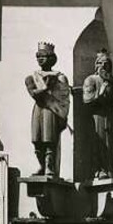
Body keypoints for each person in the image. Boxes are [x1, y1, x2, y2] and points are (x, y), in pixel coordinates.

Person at [24, 42, 71, 177]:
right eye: (38, 55)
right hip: (39, 108)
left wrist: (63, 115)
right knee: (37, 140)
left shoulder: (60, 77)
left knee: (49, 140)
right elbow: (34, 94)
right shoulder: (32, 77)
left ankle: (49, 167)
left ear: (51, 57)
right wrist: (46, 87)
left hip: (51, 110)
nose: (40, 58)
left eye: (43, 55)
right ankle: (42, 166)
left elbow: (64, 97)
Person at [81, 48, 113, 180]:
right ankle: (99, 170)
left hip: (111, 116)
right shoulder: (91, 80)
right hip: (98, 116)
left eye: (107, 63)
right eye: (101, 63)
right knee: (98, 142)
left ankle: (109, 169)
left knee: (111, 143)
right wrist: (100, 93)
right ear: (97, 65)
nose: (105, 66)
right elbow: (87, 100)